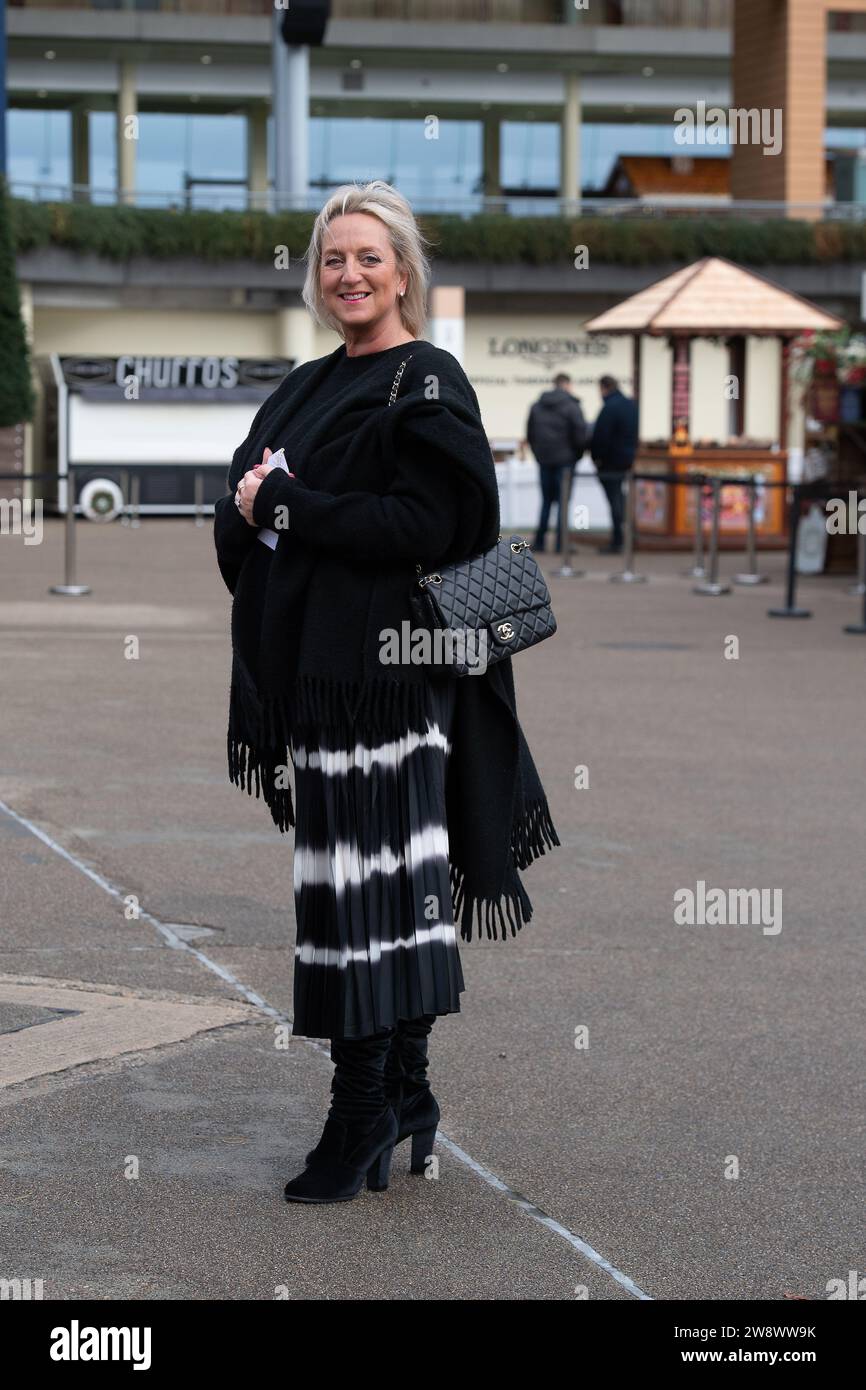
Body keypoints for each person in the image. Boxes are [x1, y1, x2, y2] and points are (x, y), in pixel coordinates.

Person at [213, 180, 560, 1206]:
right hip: (322, 683)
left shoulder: (426, 379)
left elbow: (425, 525)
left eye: (368, 256)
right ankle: (403, 1093)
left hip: (395, 686)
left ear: (402, 271)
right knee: (358, 897)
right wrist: (278, 507)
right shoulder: (308, 384)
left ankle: (360, 1106)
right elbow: (240, 495)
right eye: (331, 259)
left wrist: (289, 504)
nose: (349, 273)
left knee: (367, 901)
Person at [525, 372, 587, 553]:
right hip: (566, 462)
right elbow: (579, 434)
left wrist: (538, 455)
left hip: (544, 460)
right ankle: (561, 544)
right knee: (563, 502)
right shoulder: (572, 406)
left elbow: (530, 434)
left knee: (546, 501)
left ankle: (540, 541)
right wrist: (576, 455)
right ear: (567, 385)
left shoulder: (537, 406)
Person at [589, 374, 639, 554]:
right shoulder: (630, 405)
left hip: (610, 462)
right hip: (626, 460)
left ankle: (618, 540)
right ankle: (628, 535)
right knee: (621, 498)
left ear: (604, 387)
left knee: (615, 500)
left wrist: (596, 458)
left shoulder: (610, 407)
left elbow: (601, 437)